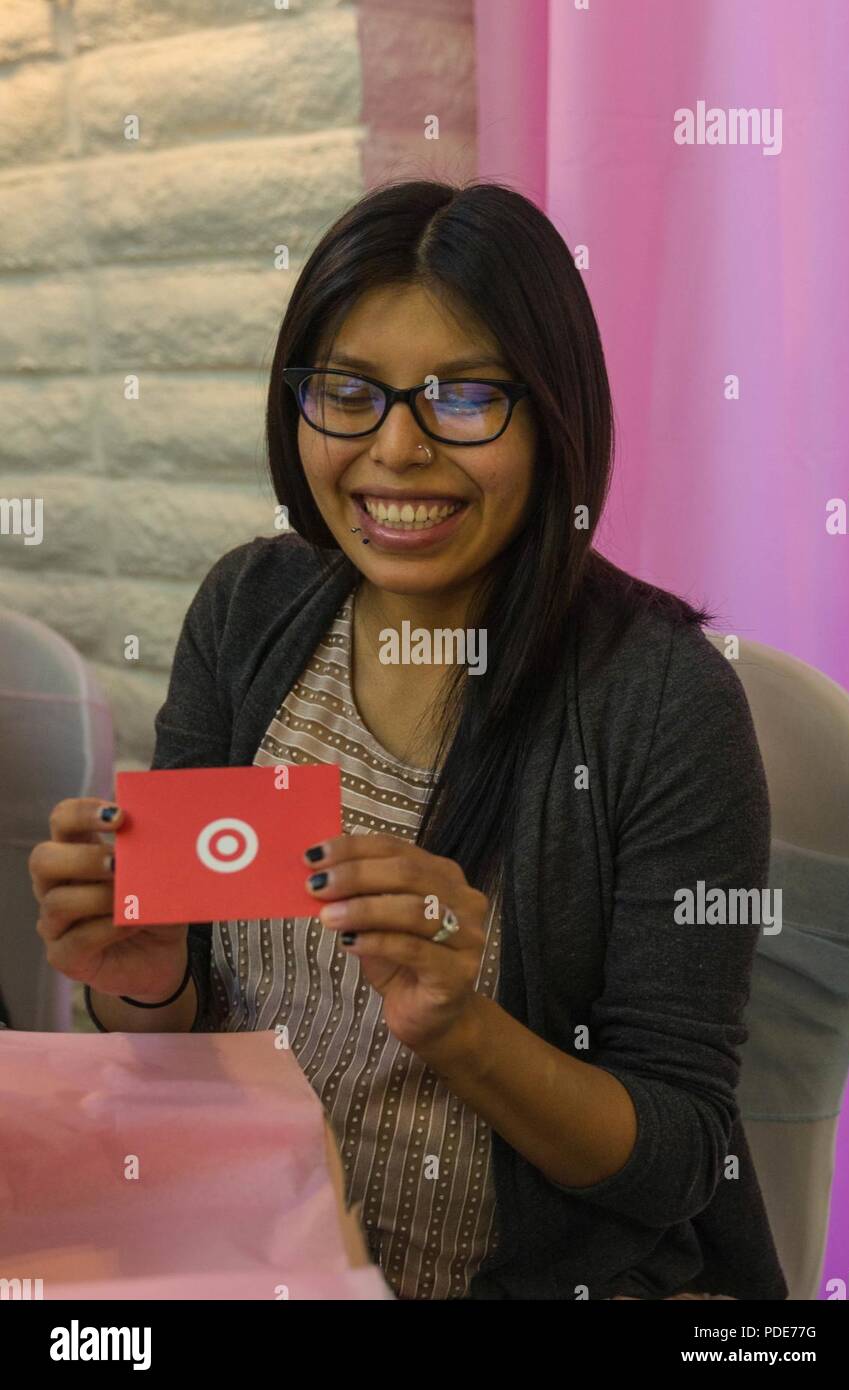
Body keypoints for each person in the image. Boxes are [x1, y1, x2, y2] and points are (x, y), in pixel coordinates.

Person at [29, 179, 788, 1302]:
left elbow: (677, 1154)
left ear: (552, 412)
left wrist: (462, 1027)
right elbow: (177, 1024)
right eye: (347, 392)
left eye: (463, 398)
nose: (395, 450)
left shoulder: (659, 700)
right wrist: (142, 985)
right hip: (243, 1247)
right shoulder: (248, 610)